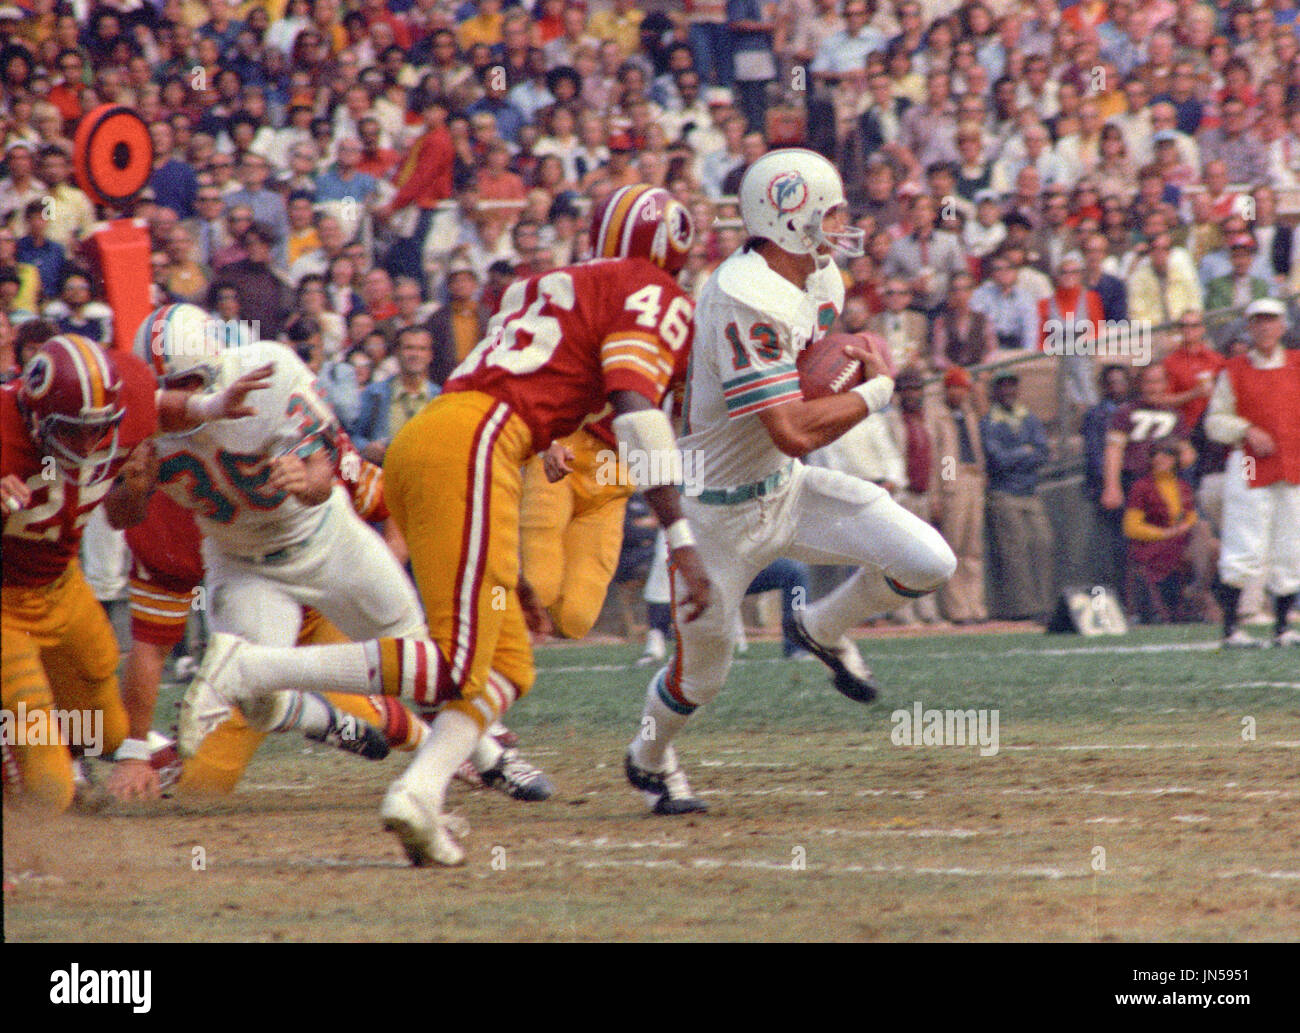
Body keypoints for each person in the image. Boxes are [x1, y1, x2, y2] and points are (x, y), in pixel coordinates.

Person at [182, 182, 705, 866]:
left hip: (442, 436)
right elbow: (637, 409)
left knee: (507, 663)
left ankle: (419, 792)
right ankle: (252, 667)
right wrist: (680, 536)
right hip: (478, 442)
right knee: (455, 662)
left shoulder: (555, 280)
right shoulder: (651, 289)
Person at [624, 149, 955, 813]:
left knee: (928, 560)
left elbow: (806, 386)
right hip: (715, 515)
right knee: (701, 678)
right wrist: (878, 391)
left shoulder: (818, 279)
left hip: (785, 489)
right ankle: (650, 757)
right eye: (829, 213)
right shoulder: (744, 295)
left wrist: (854, 362)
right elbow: (792, 427)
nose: (842, 226)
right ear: (790, 219)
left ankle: (822, 628)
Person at [1205, 298, 1300, 648]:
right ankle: (1232, 628)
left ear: (1283, 326)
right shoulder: (1234, 370)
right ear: (1248, 327)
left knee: (1291, 546)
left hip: (1292, 464)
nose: (1264, 327)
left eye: (1271, 321)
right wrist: (1245, 429)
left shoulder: (1297, 365)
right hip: (1248, 463)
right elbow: (1215, 421)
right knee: (1244, 542)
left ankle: (1282, 627)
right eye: (1257, 321)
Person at [981, 370, 1054, 621]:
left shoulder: (1028, 418)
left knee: (1043, 545)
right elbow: (997, 460)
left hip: (1030, 492)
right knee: (1016, 552)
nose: (1009, 391)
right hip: (1004, 493)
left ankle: (1043, 604)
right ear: (995, 391)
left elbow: (1043, 452)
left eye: (1013, 386)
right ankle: (1023, 608)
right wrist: (1026, 451)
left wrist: (1018, 454)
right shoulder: (989, 421)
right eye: (1003, 387)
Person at [930, 366, 987, 623]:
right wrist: (940, 492)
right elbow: (939, 457)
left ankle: (975, 605)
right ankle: (957, 608)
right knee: (953, 546)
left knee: (972, 548)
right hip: (953, 477)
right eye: (955, 387)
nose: (959, 393)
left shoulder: (968, 414)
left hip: (973, 477)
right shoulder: (939, 415)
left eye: (963, 388)